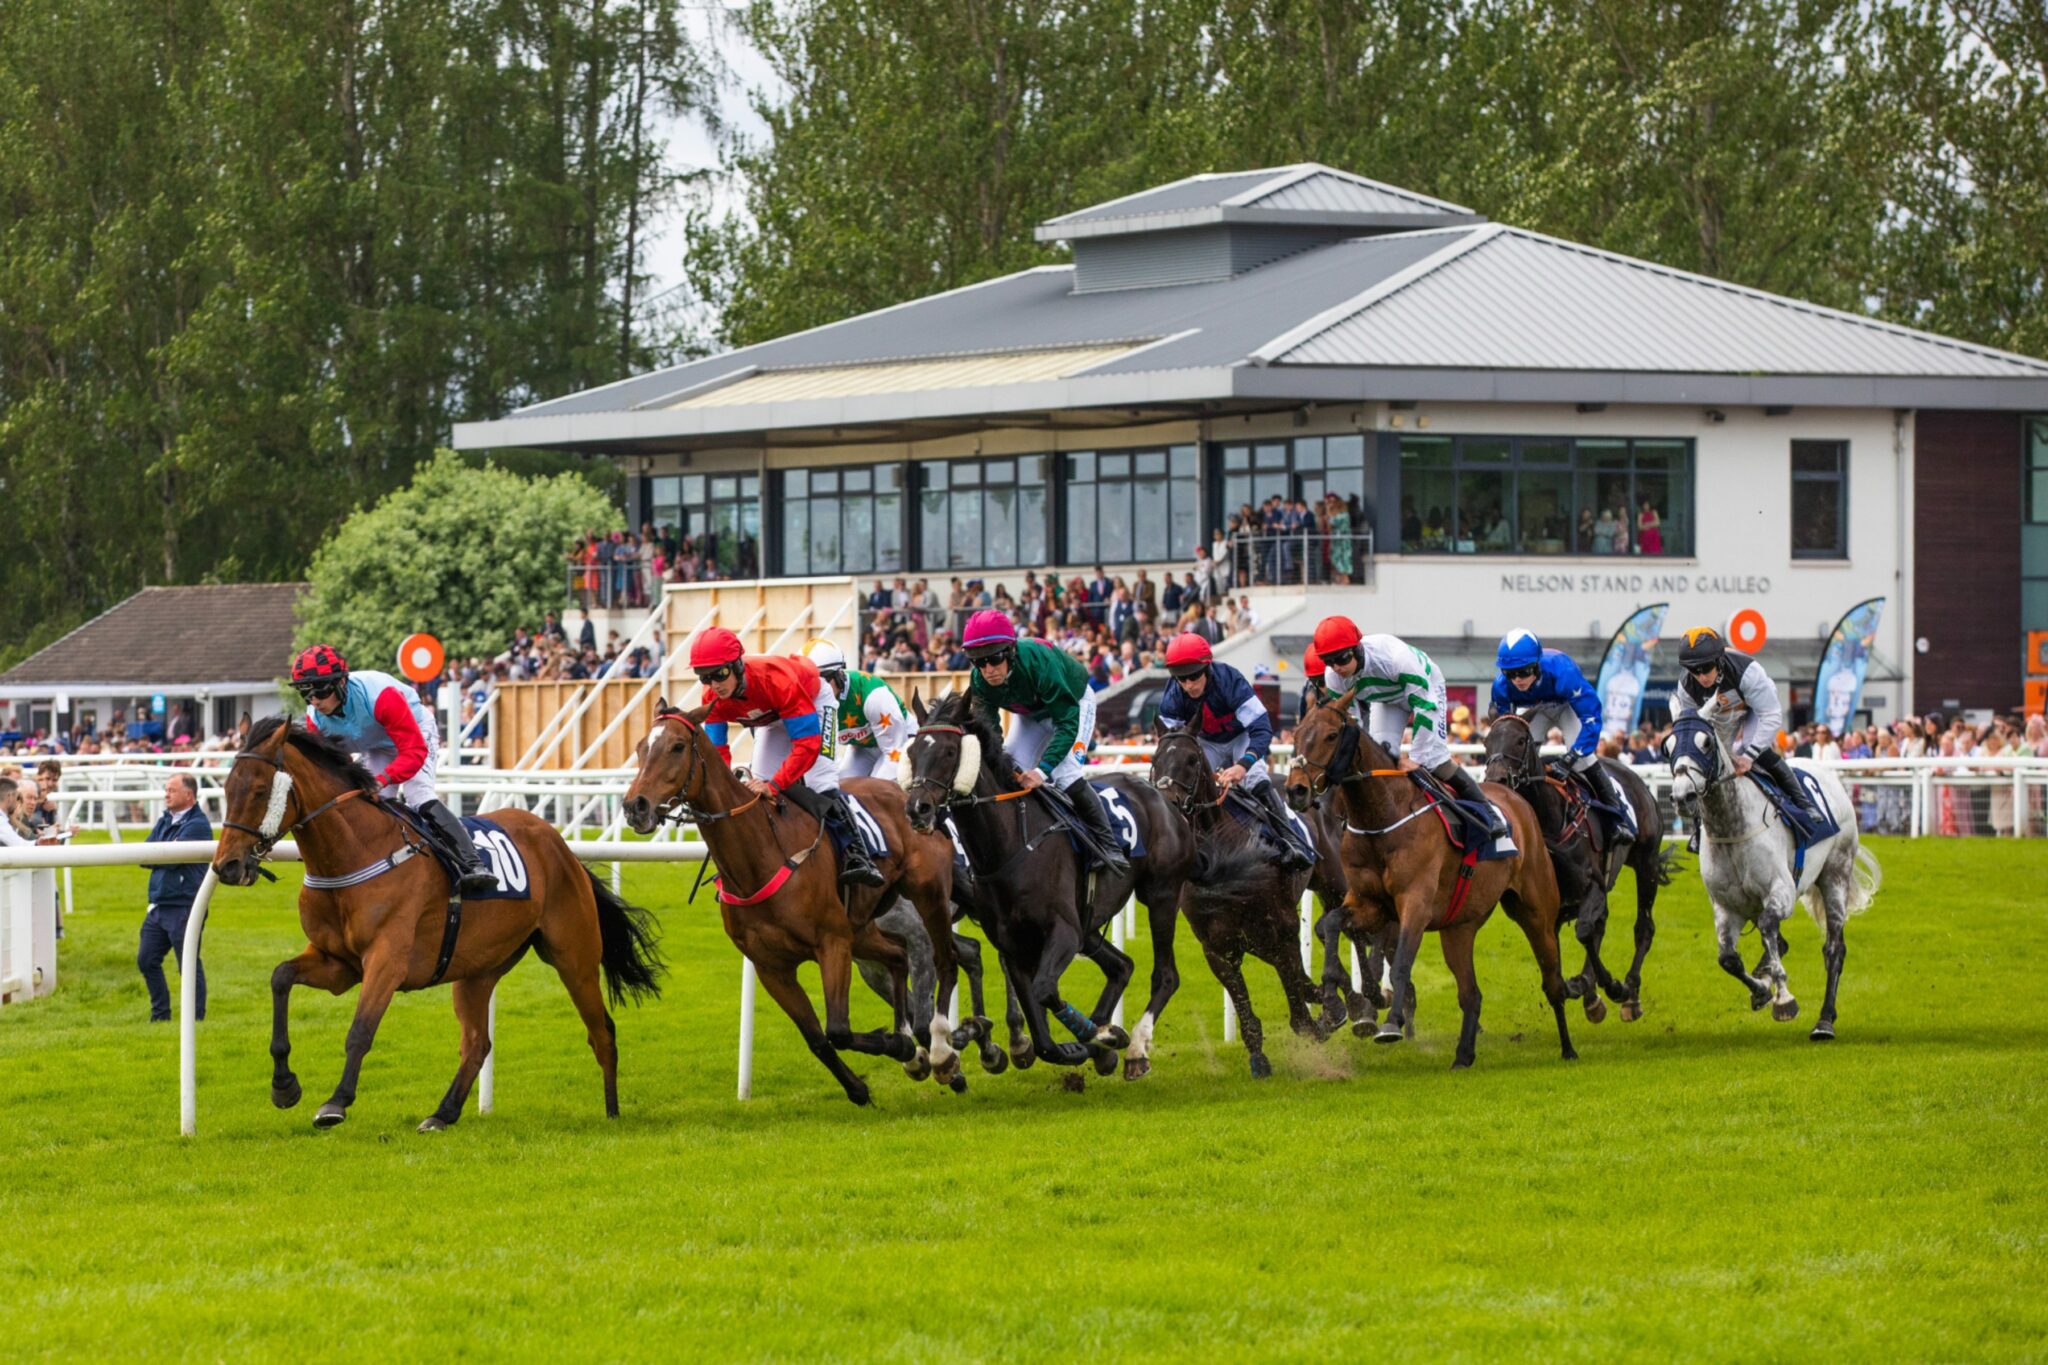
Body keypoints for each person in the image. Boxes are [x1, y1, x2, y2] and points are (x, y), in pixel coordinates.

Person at [291, 645, 498, 895]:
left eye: (320, 691)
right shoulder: (316, 718)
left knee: (418, 795)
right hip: (376, 744)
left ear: (341, 682)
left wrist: (382, 778)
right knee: (368, 805)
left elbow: (413, 752)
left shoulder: (382, 696)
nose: (314, 700)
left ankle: (473, 864)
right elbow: (334, 768)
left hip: (415, 735)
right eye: (307, 693)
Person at [689, 628, 883, 889]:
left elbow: (807, 744)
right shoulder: (711, 697)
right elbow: (718, 753)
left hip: (812, 700)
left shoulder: (776, 680)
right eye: (704, 677)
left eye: (720, 674)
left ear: (736, 665)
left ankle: (856, 854)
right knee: (757, 788)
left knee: (819, 781)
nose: (714, 684)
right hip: (772, 716)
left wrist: (775, 785)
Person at [960, 609, 1128, 875]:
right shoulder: (980, 681)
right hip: (1030, 716)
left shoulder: (1040, 663)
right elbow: (989, 732)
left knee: (1065, 773)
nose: (988, 670)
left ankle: (1109, 844)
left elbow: (1066, 723)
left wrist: (1041, 770)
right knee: (1009, 771)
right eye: (979, 662)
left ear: (1010, 651)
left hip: (1073, 704)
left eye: (994, 659)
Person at [1313, 614, 1507, 838]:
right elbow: (1351, 725)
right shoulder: (1333, 677)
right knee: (1382, 758)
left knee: (1433, 760)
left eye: (1342, 658)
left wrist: (1416, 758)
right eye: (1329, 661)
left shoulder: (1396, 659)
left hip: (1426, 690)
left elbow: (1426, 706)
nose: (1336, 667)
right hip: (1386, 699)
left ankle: (1489, 813)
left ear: (1357, 649)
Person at [1159, 633, 1313, 869]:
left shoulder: (1230, 681)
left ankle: (1290, 841)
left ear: (1206, 668)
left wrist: (1243, 764)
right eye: (1181, 679)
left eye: (1193, 676)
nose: (1188, 685)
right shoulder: (1173, 695)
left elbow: (1262, 728)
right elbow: (1174, 742)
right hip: (1206, 741)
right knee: (1184, 782)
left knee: (1256, 779)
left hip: (1240, 736)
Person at [1672, 626, 1820, 833]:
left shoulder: (1748, 672)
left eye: (1706, 668)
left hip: (1754, 709)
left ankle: (1804, 804)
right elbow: (1691, 727)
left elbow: (1771, 715)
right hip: (1721, 714)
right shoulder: (1686, 684)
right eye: (1694, 670)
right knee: (1709, 761)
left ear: (1718, 659)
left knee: (1754, 750)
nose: (1702, 677)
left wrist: (1748, 757)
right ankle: (1699, 827)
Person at [1489, 629, 1634, 837]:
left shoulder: (1562, 671)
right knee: (1517, 755)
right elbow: (1505, 731)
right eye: (1510, 673)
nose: (1518, 679)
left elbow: (1591, 717)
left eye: (1524, 671)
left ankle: (1618, 818)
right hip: (1536, 710)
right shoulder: (1501, 687)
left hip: (1567, 707)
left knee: (1583, 761)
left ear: (1537, 665)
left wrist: (1571, 757)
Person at [137, 773, 212, 1022]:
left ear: (188, 795)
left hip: (185, 905)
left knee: (187, 965)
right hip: (159, 905)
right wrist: (163, 854)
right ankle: (160, 1015)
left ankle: (195, 1020)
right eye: (166, 789)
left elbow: (169, 859)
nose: (166, 794)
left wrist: (161, 855)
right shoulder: (165, 820)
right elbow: (145, 856)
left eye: (171, 790)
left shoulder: (198, 825)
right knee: (146, 960)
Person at [804, 640, 915, 783]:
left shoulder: (874, 696)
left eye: (820, 681)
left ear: (838, 675)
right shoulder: (810, 701)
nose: (814, 691)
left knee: (877, 788)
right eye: (806, 682)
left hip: (900, 741)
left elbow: (895, 752)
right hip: (863, 746)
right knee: (842, 786)